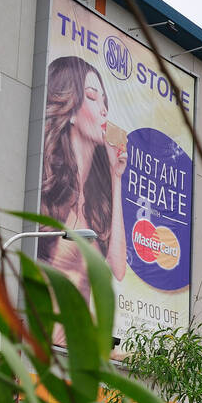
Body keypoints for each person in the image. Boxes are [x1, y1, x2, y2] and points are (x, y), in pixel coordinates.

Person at [38, 55, 128, 332]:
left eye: (104, 101)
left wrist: (116, 177)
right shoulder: (48, 187)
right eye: (91, 97)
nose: (103, 110)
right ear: (71, 110)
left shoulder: (97, 200)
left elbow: (118, 268)